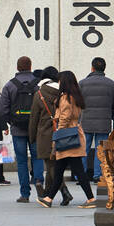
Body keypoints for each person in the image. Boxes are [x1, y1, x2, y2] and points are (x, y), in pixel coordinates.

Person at [39, 71, 96, 207]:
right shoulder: (76, 96)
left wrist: (60, 131)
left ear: (63, 82)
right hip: (75, 134)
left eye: (59, 81)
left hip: (67, 136)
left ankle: (91, 199)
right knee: (59, 170)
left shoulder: (65, 98)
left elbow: (65, 116)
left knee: (76, 170)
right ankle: (48, 199)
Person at [0, 57, 43, 203]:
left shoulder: (10, 85)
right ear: (31, 66)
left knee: (22, 161)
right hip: (35, 128)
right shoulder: (38, 85)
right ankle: (38, 182)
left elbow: (3, 109)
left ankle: (25, 194)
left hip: (18, 129)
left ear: (17, 67)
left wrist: (11, 121)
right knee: (37, 157)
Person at [29, 67, 72, 205]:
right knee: (53, 164)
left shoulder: (39, 94)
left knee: (51, 165)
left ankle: (65, 192)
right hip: (63, 132)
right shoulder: (64, 92)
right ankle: (47, 194)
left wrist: (32, 136)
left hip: (45, 134)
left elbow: (34, 118)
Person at [80, 55, 114, 181]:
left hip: (86, 120)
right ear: (104, 68)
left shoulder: (82, 83)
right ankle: (98, 175)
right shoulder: (111, 84)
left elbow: (77, 100)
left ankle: (82, 175)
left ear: (92, 68)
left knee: (83, 149)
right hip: (103, 121)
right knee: (101, 149)